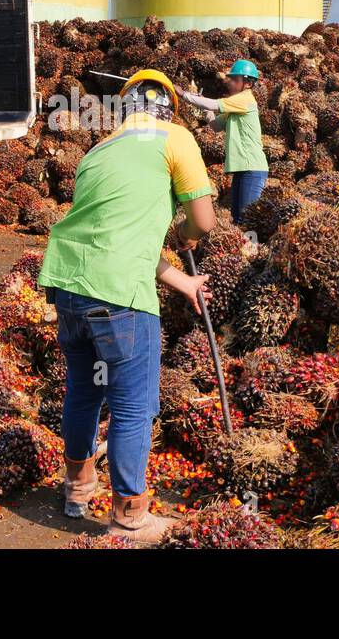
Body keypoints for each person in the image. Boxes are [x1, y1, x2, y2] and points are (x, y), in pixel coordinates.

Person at [37, 68, 217, 543]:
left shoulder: (98, 151)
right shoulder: (176, 138)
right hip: (121, 299)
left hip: (70, 286)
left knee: (83, 392)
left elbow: (115, 236)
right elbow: (205, 218)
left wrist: (183, 282)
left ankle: (76, 490)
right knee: (133, 407)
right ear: (169, 110)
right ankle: (130, 517)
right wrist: (186, 235)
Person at [178, 59, 269, 223]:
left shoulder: (244, 99)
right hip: (243, 169)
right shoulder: (235, 105)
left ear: (247, 83)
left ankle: (253, 247)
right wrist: (203, 106)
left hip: (253, 168)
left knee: (246, 219)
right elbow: (215, 125)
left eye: (235, 79)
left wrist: (184, 95)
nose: (230, 82)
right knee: (237, 217)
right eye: (231, 79)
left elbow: (214, 104)